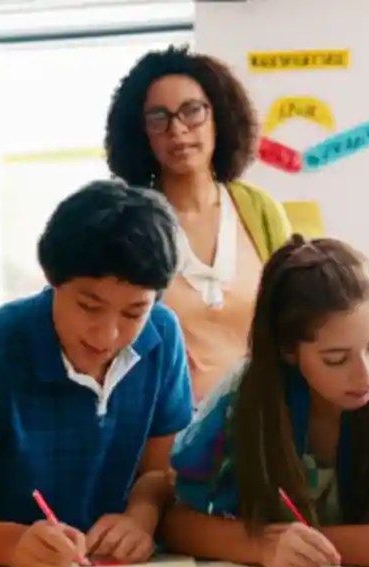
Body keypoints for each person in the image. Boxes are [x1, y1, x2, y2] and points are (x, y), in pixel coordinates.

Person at [0, 180, 193, 567]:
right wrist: (14, 544)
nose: (107, 335)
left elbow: (159, 474)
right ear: (52, 280)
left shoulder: (163, 337)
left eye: (134, 313)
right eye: (89, 306)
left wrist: (141, 517)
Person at [164, 236, 369, 567]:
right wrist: (263, 545)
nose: (364, 375)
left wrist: (311, 541)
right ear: (289, 351)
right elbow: (175, 519)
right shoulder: (252, 391)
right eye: (336, 359)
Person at [106, 45, 292, 403]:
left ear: (219, 116)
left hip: (261, 425)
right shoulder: (129, 222)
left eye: (192, 111)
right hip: (164, 434)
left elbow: (298, 317)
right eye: (158, 118)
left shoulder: (260, 211)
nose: (178, 130)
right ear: (142, 133)